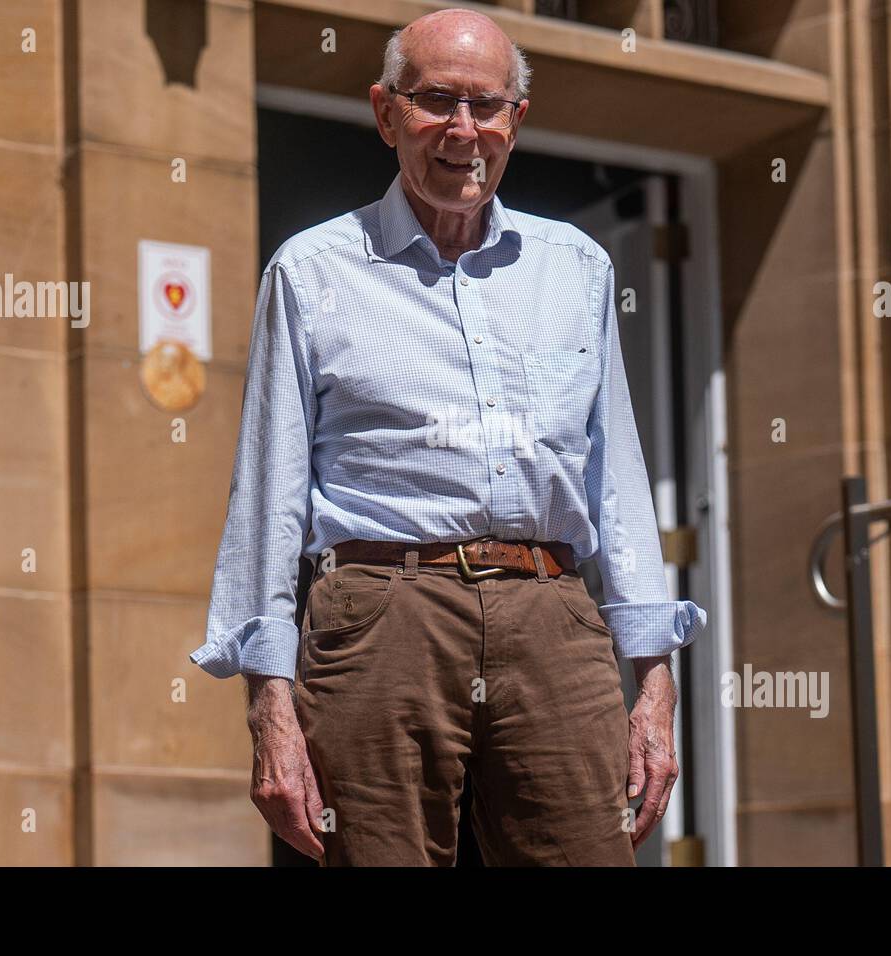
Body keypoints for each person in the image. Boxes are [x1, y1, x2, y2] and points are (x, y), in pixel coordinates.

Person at [191, 6, 706, 866]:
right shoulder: (313, 272)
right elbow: (267, 496)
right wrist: (269, 702)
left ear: (516, 120)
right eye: (437, 100)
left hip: (552, 611)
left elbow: (616, 482)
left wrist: (654, 681)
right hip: (381, 614)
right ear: (386, 112)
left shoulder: (576, 268)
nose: (464, 130)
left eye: (487, 105)